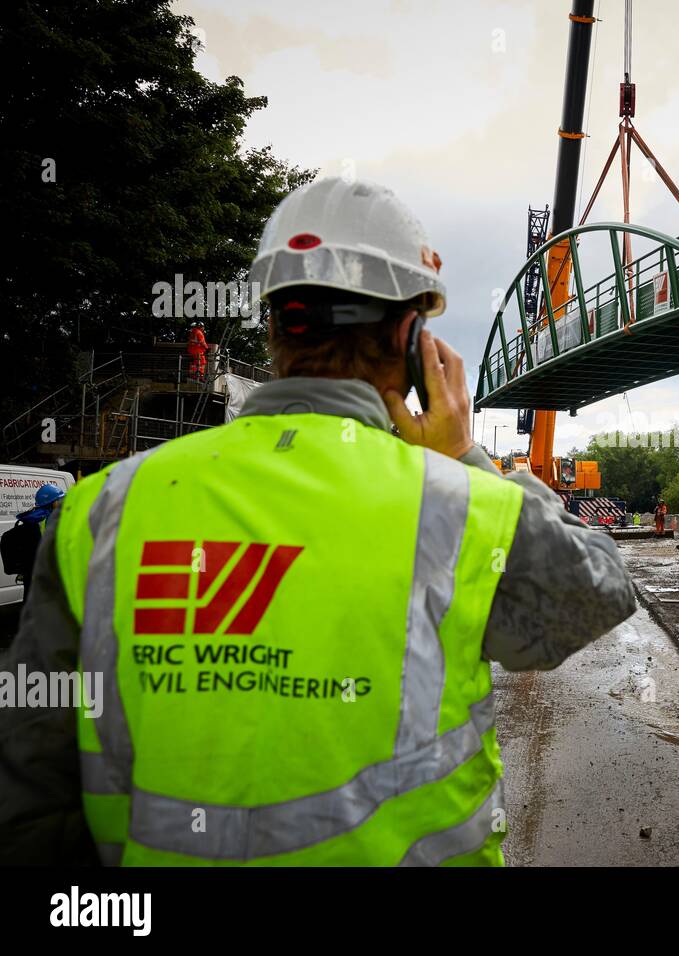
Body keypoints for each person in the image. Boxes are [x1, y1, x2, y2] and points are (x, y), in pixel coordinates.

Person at [0, 176, 637, 867]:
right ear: (412, 338)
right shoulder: (461, 510)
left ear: (274, 325)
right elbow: (599, 592)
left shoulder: (103, 511)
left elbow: (32, 799)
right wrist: (463, 454)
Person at [0, 484, 66, 597]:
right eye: (59, 500)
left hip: (31, 577)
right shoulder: (53, 521)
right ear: (53, 502)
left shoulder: (31, 519)